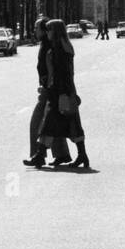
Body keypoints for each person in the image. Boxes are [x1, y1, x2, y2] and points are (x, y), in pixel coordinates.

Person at [38, 18, 89, 170]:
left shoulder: (59, 49)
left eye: (49, 30)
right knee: (71, 125)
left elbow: (63, 74)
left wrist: (62, 93)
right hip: (64, 91)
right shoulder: (62, 46)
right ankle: (82, 155)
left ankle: (40, 156)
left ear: (55, 31)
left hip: (61, 92)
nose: (47, 33)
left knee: (50, 124)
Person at [23, 18, 71, 168]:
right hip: (52, 89)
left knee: (38, 122)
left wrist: (46, 84)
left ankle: (39, 155)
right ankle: (61, 154)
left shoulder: (51, 46)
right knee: (52, 122)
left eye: (37, 28)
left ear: (45, 31)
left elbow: (55, 70)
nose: (35, 31)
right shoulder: (47, 44)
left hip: (52, 90)